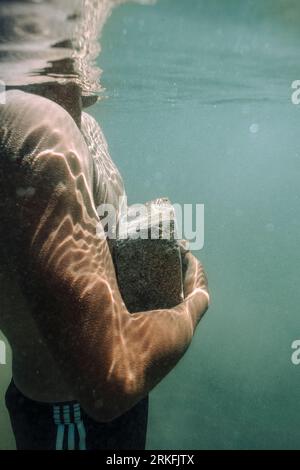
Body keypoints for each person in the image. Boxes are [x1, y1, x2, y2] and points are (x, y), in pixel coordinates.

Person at [0, 88, 209, 450]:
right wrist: (195, 301)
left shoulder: (81, 126)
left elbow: (93, 248)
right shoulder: (35, 126)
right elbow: (113, 382)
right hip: (68, 414)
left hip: (98, 406)